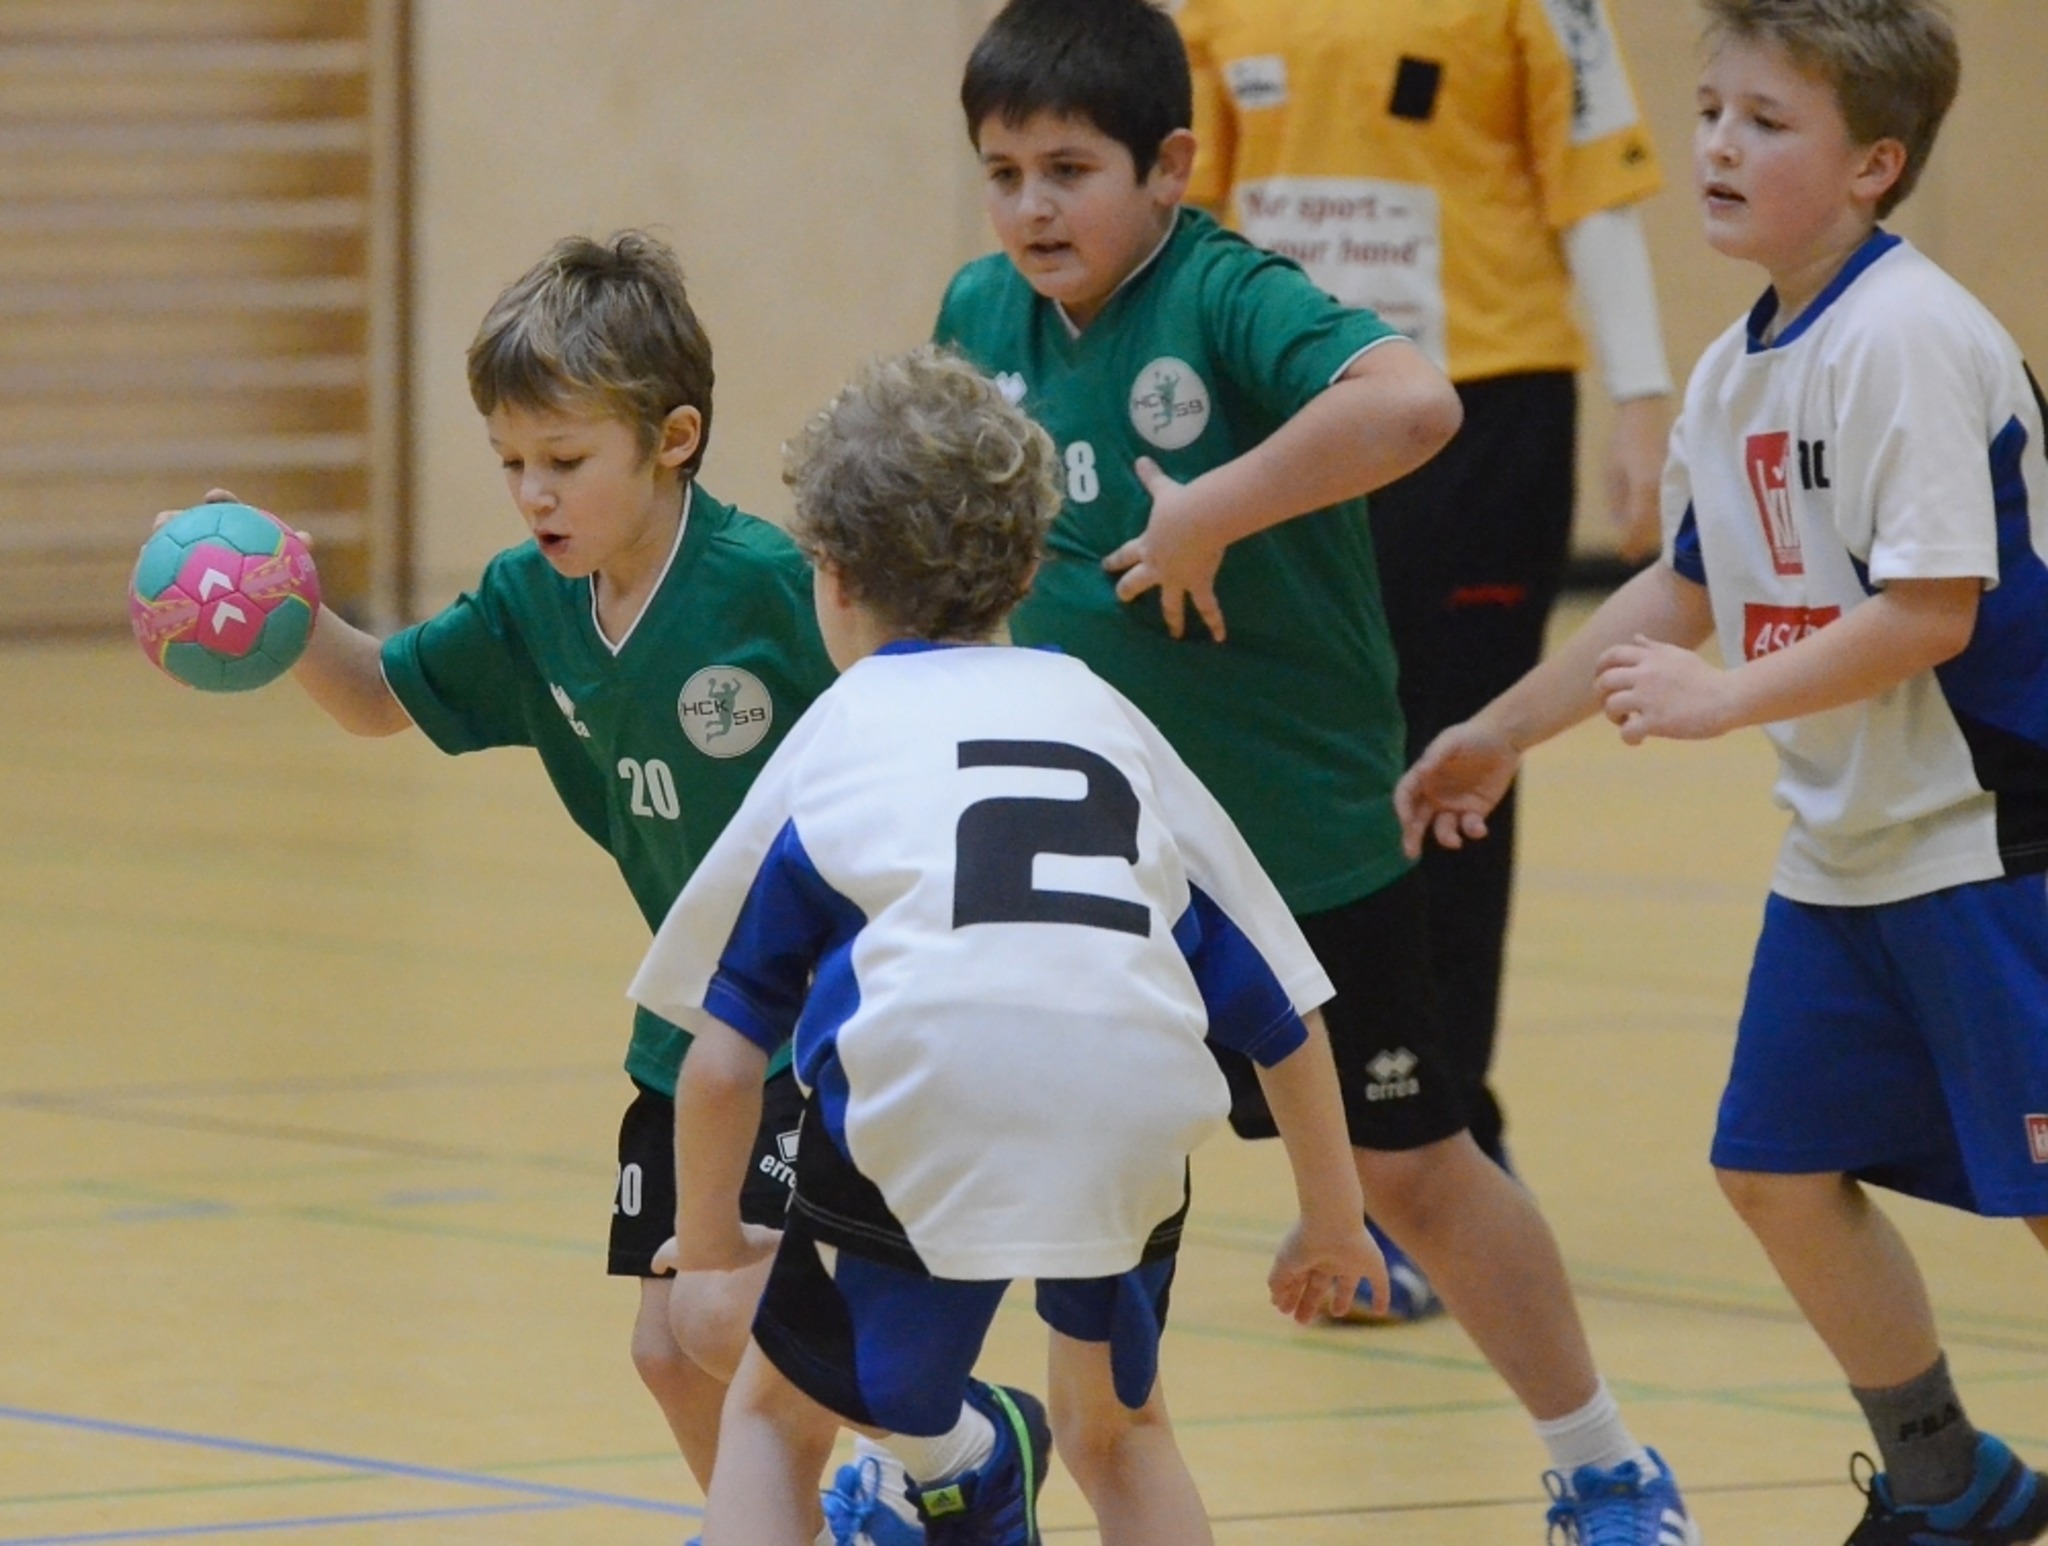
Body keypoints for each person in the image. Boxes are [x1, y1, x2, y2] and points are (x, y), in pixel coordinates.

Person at [930, 2, 1701, 1540]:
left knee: (1417, 1169)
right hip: (1100, 851)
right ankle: (953, 1452)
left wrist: (1215, 506)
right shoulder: (979, 313)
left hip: (1294, 834)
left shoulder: (1226, 293)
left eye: (1067, 169)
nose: (1029, 207)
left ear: (1170, 167)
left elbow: (1416, 403)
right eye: (1003, 170)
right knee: (1032, 1157)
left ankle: (1603, 1458)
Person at [157, 232, 935, 1542]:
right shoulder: (532, 604)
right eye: (511, 462)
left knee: (755, 1322)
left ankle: (944, 1469)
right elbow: (377, 697)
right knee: (666, 1349)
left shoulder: (769, 585)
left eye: (565, 462)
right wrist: (284, 614)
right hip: (690, 1026)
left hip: (833, 1019)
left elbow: (922, 716)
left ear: (674, 438)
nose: (533, 494)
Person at [1396, 2, 2048, 1539]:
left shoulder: (1906, 338)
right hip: (1849, 851)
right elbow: (1683, 588)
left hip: (1992, 836)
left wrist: (1726, 699)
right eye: (1709, 111)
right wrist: (1504, 723)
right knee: (1777, 1166)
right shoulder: (1740, 366)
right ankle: (1946, 1479)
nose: (1716, 146)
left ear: (1877, 164)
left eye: (1766, 121)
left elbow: (1931, 607)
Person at [631, 344, 1382, 1546]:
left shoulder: (840, 734)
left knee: (774, 1417)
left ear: (827, 573)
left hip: (929, 1094)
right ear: (1027, 564)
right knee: (1120, 1432)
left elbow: (720, 1059)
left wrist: (715, 1254)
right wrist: (1333, 1219)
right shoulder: (1102, 711)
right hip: (1132, 1100)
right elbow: (1284, 1013)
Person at [1174, 0, 1680, 1317]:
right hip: (1295, 424)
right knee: (1309, 776)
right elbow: (1192, 209)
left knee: (1454, 763)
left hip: (1480, 405)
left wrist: (1641, 401)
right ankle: (1346, 1174)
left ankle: (1445, 1123)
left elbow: (1593, 190)